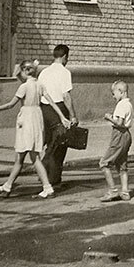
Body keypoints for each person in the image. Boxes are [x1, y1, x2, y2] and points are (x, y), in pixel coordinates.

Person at [0, 60, 69, 198]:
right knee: (21, 156)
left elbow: (10, 105)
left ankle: (47, 187)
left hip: (26, 121)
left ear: (24, 71)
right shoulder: (40, 85)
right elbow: (52, 103)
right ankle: (8, 186)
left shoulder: (23, 87)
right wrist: (62, 117)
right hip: (37, 119)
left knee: (33, 156)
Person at [38, 44, 78, 187]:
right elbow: (66, 96)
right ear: (65, 56)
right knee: (60, 144)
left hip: (44, 109)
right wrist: (73, 115)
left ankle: (44, 175)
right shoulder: (64, 72)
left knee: (50, 142)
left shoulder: (44, 72)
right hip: (59, 108)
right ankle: (53, 179)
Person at [99, 80, 133, 202]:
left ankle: (112, 190)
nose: (113, 97)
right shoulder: (129, 104)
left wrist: (109, 118)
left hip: (118, 135)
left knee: (104, 163)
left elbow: (119, 122)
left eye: (114, 93)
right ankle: (125, 191)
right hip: (127, 136)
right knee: (122, 164)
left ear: (121, 91)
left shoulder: (121, 105)